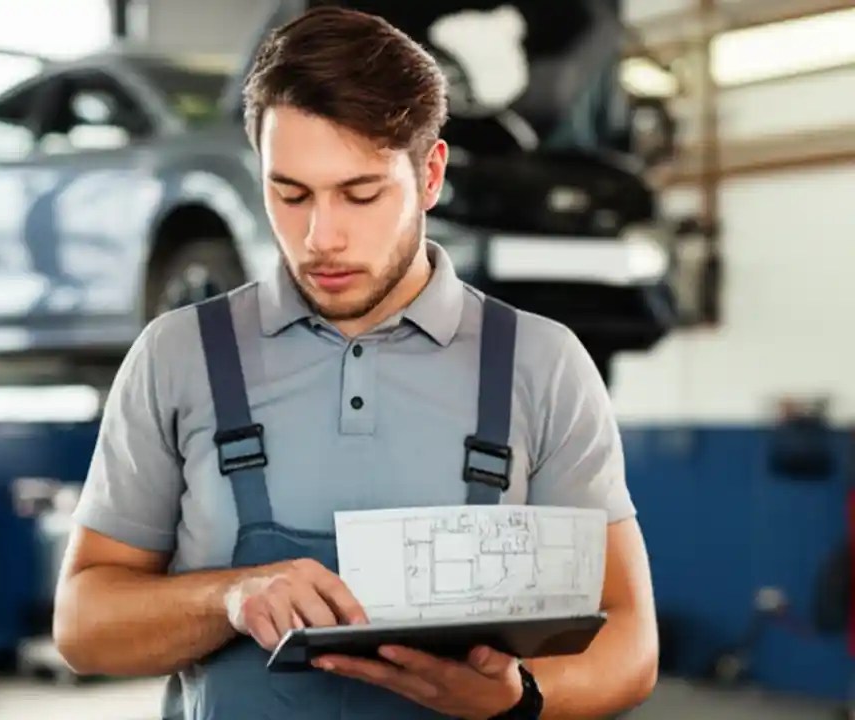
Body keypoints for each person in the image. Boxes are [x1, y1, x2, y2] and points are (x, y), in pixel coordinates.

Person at [52, 6, 658, 719]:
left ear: (430, 176)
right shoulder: (178, 357)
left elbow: (630, 640)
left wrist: (518, 696)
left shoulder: (541, 364)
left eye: (360, 193)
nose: (321, 238)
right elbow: (84, 627)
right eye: (290, 193)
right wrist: (229, 597)